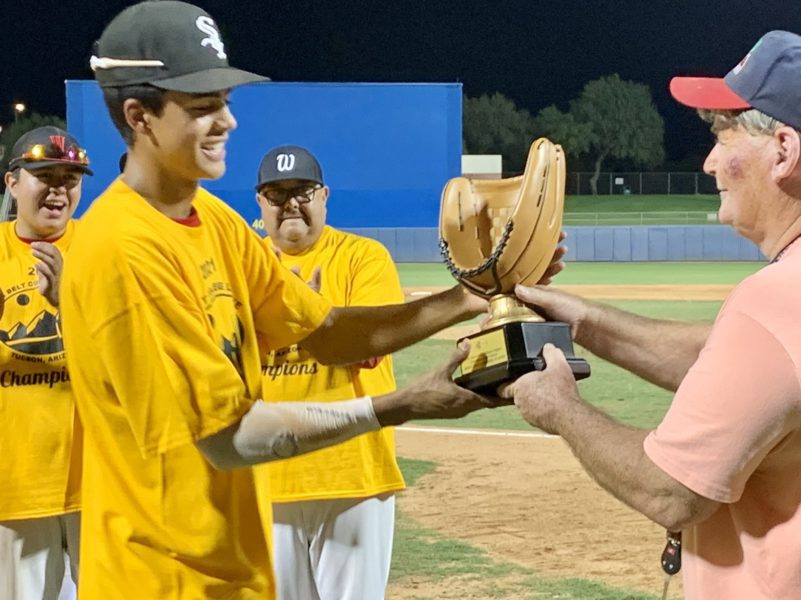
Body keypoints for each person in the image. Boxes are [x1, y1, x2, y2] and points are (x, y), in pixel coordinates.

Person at [61, 2, 560, 598]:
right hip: (159, 575)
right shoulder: (121, 249)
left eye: (225, 101)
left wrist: (467, 294)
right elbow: (229, 437)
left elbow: (324, 331)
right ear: (139, 116)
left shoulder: (213, 221)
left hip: (227, 565)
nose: (227, 122)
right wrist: (401, 405)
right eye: (201, 108)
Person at [501, 30, 801, 599]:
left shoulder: (780, 302)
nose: (710, 160)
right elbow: (751, 370)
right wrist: (586, 323)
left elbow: (671, 492)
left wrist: (560, 408)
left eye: (725, 134)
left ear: (785, 151)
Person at [254, 145, 406, 600]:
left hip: (352, 477)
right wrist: (316, 318)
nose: (291, 204)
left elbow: (367, 343)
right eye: (277, 194)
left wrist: (301, 312)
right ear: (260, 203)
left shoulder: (363, 257)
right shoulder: (241, 265)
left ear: (324, 196)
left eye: (302, 191)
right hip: (263, 480)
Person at [0, 126, 92, 599]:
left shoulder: (104, 249)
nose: (59, 188)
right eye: (44, 175)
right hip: (16, 487)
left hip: (100, 486)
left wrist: (68, 305)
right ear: (12, 183)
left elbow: (133, 359)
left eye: (70, 178)